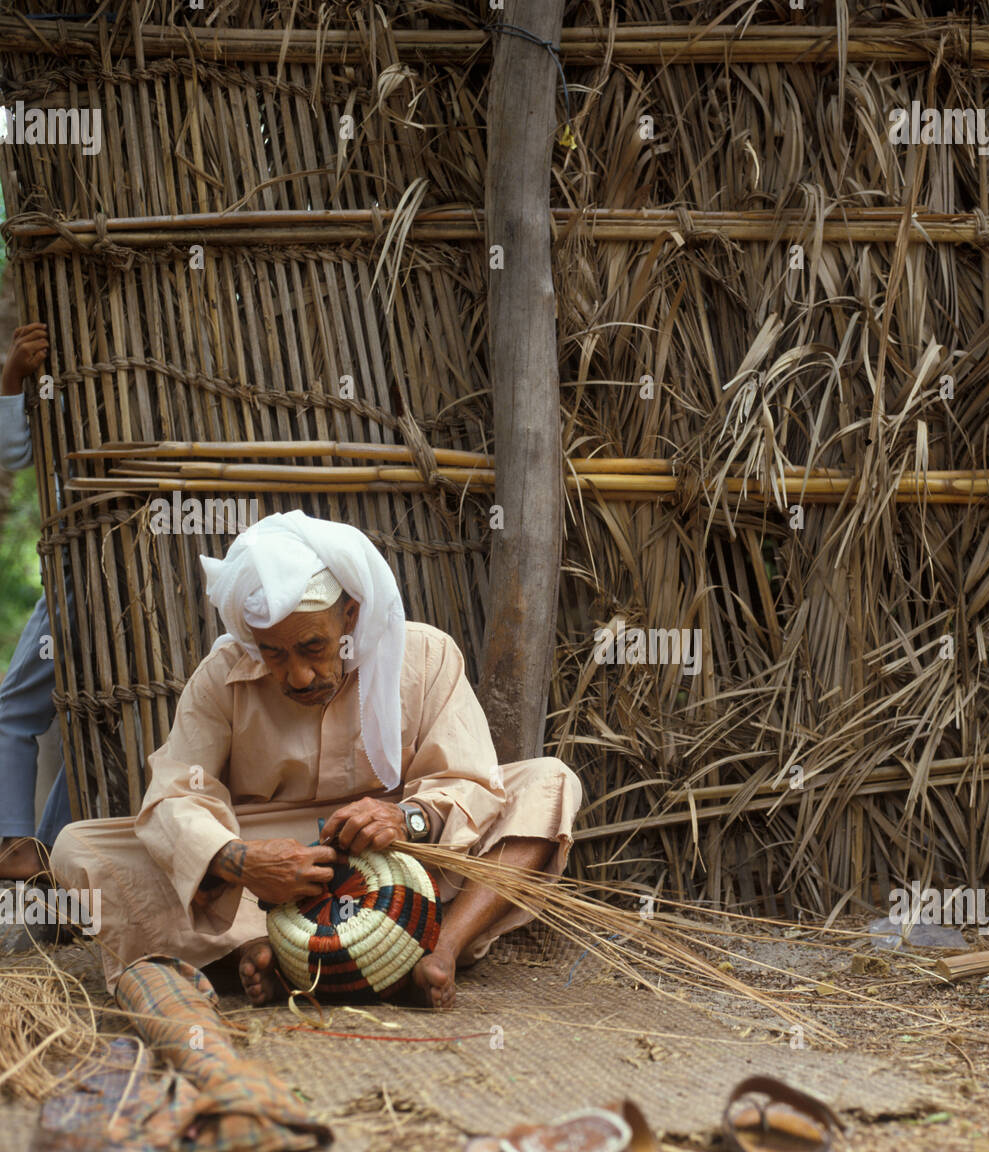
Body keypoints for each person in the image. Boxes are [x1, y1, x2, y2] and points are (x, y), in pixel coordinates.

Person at [50, 510, 581, 1008]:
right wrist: (241, 860)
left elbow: (471, 780)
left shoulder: (424, 655)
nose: (297, 675)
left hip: (407, 856)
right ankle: (260, 949)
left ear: (350, 613)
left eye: (311, 647)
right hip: (274, 863)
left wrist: (407, 816)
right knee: (81, 847)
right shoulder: (223, 675)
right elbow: (175, 794)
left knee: (548, 782)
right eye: (273, 653)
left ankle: (440, 950)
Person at [0, 321, 72, 883]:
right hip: (79, 569)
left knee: (104, 722)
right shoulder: (59, 363)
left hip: (155, 571)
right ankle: (23, 850)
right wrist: (13, 376)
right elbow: (14, 454)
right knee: (20, 710)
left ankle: (40, 852)